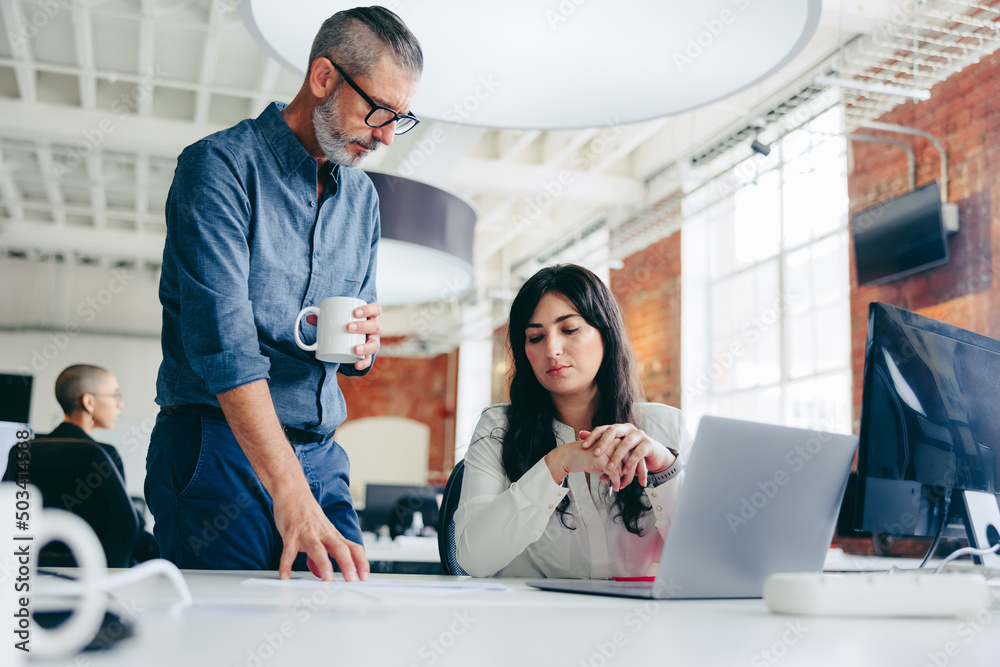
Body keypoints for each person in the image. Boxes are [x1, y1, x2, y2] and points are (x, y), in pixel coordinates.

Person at [145, 7, 422, 582]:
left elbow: (349, 338)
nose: (388, 135)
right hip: (217, 447)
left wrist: (364, 347)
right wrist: (287, 489)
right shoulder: (217, 168)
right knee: (225, 638)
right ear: (323, 78)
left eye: (402, 118)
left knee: (338, 627)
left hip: (321, 456)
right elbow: (226, 349)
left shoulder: (363, 200)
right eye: (380, 111)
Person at [454, 264, 693, 578]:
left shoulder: (666, 427)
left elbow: (706, 561)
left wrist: (665, 470)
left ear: (605, 333)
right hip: (535, 623)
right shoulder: (499, 428)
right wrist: (556, 464)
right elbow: (474, 559)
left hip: (641, 621)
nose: (552, 349)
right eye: (535, 337)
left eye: (569, 330)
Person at [40, 364, 158, 562]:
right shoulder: (102, 455)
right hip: (96, 569)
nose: (120, 405)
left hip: (36, 568)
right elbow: (127, 528)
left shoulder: (27, 450)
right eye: (115, 396)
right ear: (89, 402)